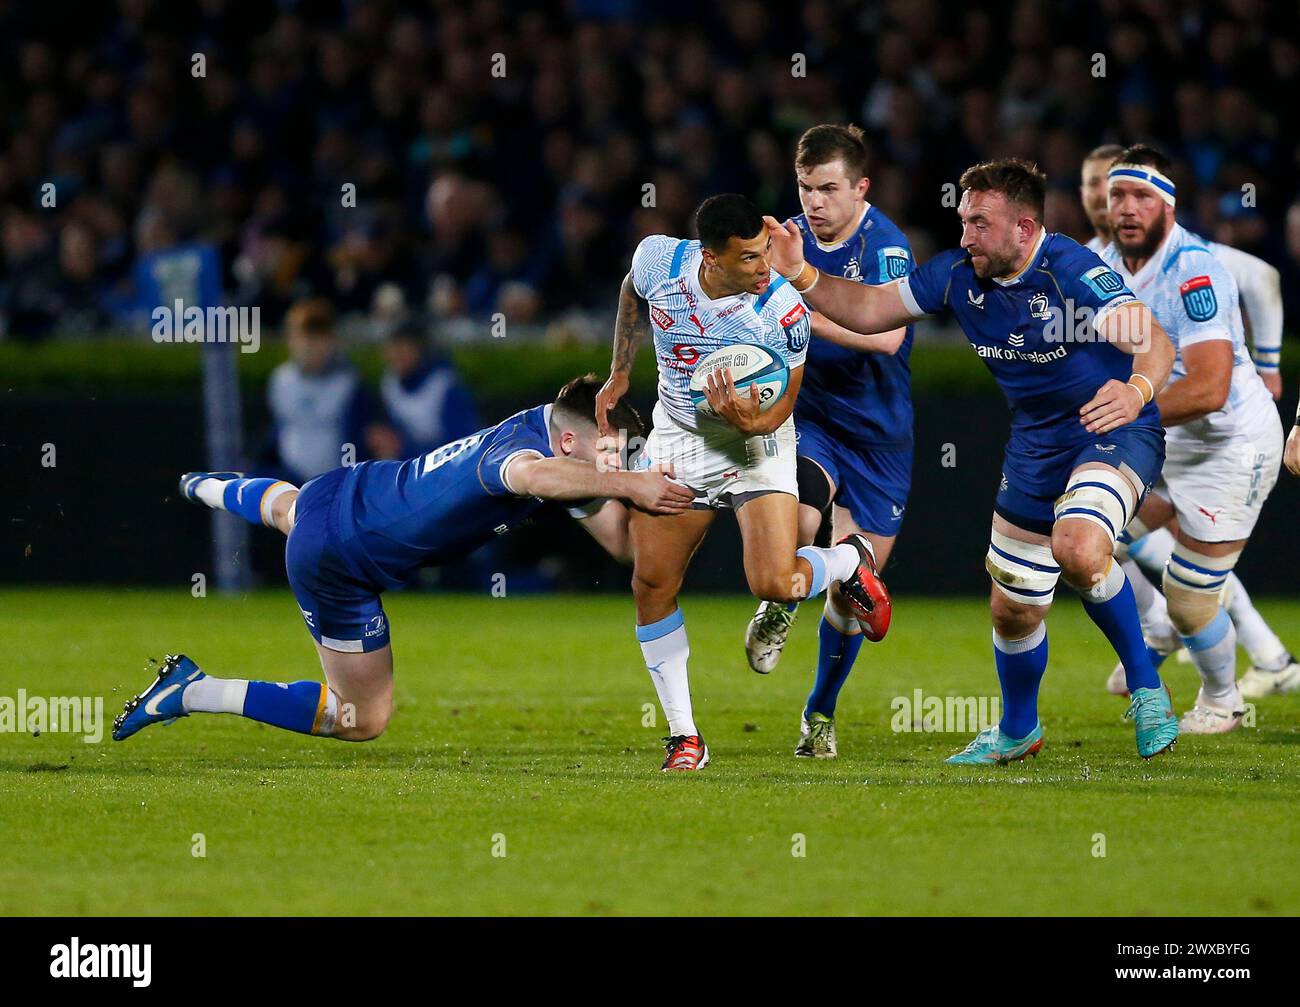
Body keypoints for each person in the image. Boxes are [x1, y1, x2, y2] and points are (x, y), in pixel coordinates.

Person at [764, 158, 1181, 763]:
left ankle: (1147, 687)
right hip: (1036, 445)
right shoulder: (959, 275)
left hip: (1111, 429)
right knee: (1012, 607)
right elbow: (871, 310)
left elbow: (1154, 341)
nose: (965, 238)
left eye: (980, 224)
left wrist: (1135, 391)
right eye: (963, 222)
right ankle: (1018, 730)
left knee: (1080, 547)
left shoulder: (1070, 272)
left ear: (1025, 226)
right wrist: (799, 272)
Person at [112, 376, 695, 744]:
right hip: (338, 559)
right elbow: (534, 474)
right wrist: (629, 485)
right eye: (611, 454)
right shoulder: (523, 455)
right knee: (360, 719)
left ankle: (205, 486)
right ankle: (192, 690)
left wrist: (676, 490)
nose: (618, 467)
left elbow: (621, 544)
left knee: (289, 507)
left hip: (343, 491)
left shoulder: (565, 450)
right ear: (573, 443)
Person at [595, 193, 890, 772]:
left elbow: (786, 403)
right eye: (750, 258)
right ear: (710, 257)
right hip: (680, 442)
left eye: (765, 252)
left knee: (775, 584)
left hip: (757, 445)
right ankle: (685, 737)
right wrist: (620, 372)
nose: (765, 266)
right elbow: (631, 293)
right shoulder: (658, 260)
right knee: (651, 583)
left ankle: (848, 561)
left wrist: (752, 422)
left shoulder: (783, 308)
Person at [1080, 143, 1298, 698]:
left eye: (1142, 196)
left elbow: (1208, 387)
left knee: (1191, 594)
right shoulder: (1099, 265)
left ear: (1169, 207)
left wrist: (1129, 404)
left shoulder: (1194, 269)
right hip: (1167, 439)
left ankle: (1225, 699)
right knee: (1089, 532)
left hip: (1230, 444)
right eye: (1117, 195)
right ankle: (1161, 631)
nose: (1126, 208)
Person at [742, 124, 913, 760]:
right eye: (804, 188)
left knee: (851, 599)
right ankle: (782, 600)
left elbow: (889, 339)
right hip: (810, 417)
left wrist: (804, 308)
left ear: (860, 188)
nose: (814, 203)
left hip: (882, 437)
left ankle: (820, 711)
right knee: (796, 524)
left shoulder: (887, 247)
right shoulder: (783, 239)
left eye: (828, 189)